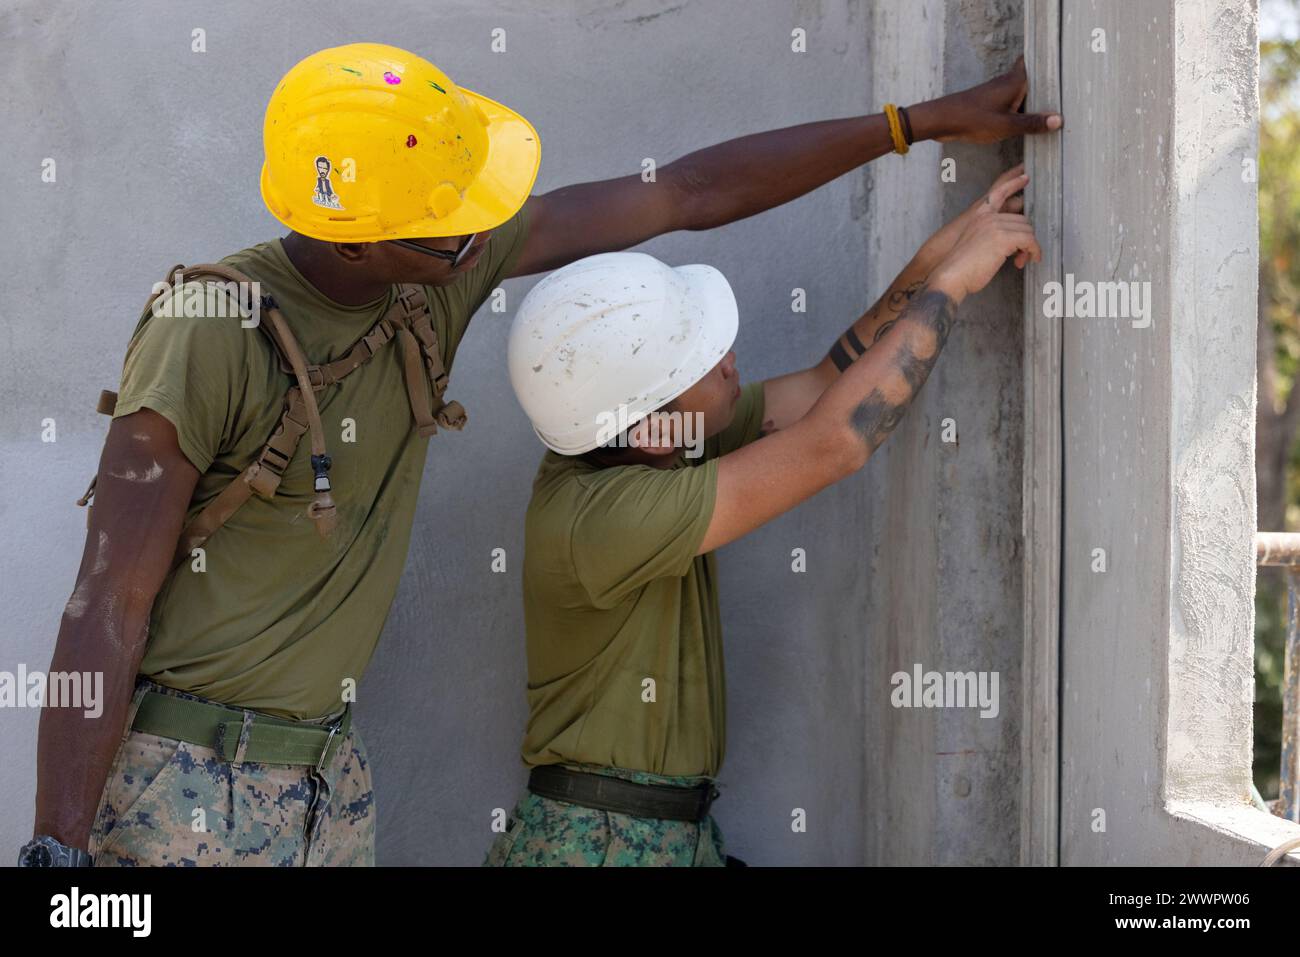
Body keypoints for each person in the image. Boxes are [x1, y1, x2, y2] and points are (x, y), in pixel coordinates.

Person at [23, 34, 1058, 868]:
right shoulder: (211, 329)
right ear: (350, 238)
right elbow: (105, 600)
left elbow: (688, 194)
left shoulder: (431, 271)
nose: (479, 242)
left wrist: (912, 125)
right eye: (447, 232)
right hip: (181, 777)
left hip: (325, 781)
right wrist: (59, 860)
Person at [488, 166, 1039, 866]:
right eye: (695, 358)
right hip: (598, 845)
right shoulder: (600, 518)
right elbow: (835, 441)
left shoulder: (654, 448)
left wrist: (951, 245)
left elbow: (822, 385)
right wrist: (954, 286)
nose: (724, 360)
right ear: (646, 419)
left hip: (656, 832)